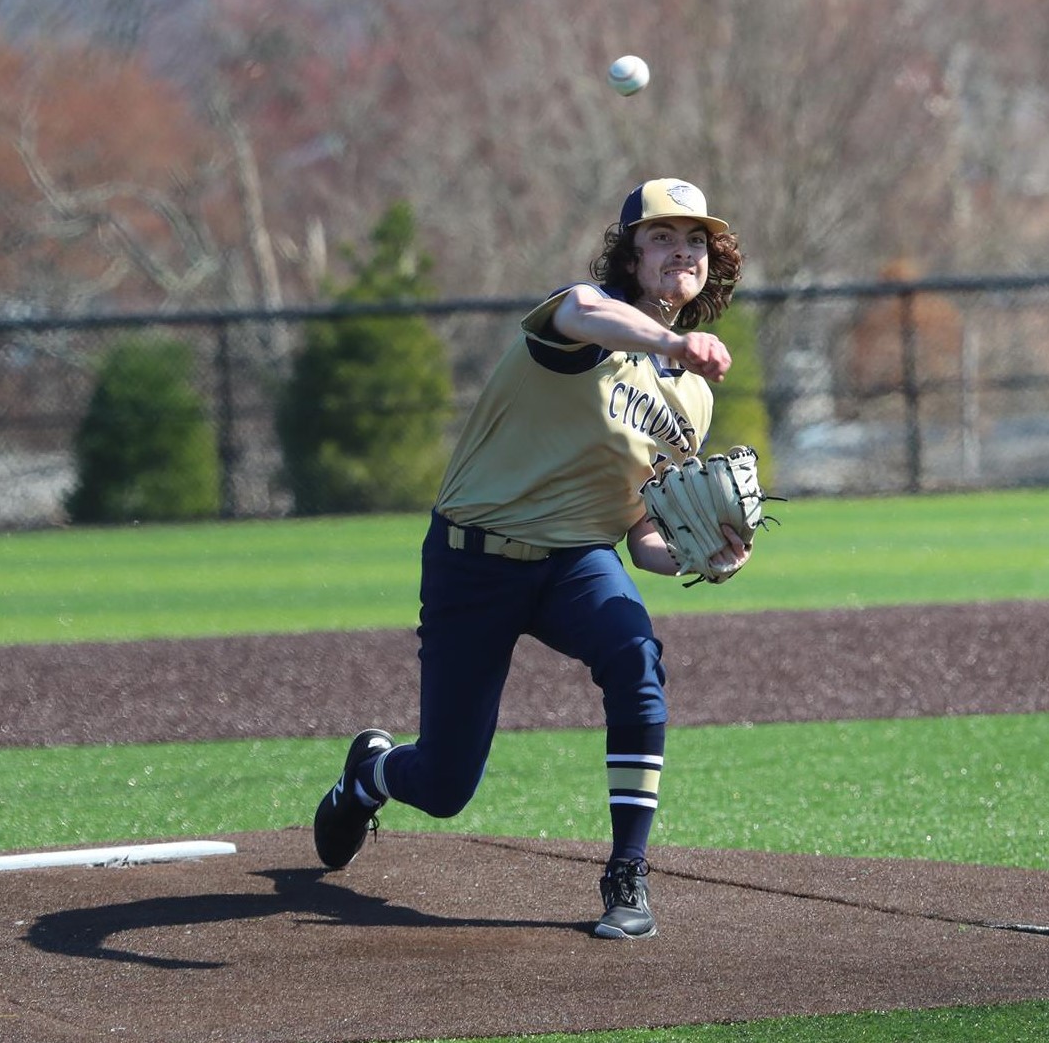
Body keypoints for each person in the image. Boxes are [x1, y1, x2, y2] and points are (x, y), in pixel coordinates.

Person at [312, 178, 749, 938]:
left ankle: (626, 875)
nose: (682, 249)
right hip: (472, 562)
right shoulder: (581, 319)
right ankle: (370, 773)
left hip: (572, 562)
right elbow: (584, 312)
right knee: (445, 785)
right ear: (628, 255)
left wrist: (695, 552)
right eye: (659, 236)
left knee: (636, 657)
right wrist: (672, 340)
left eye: (696, 240)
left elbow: (640, 523)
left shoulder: (695, 399)